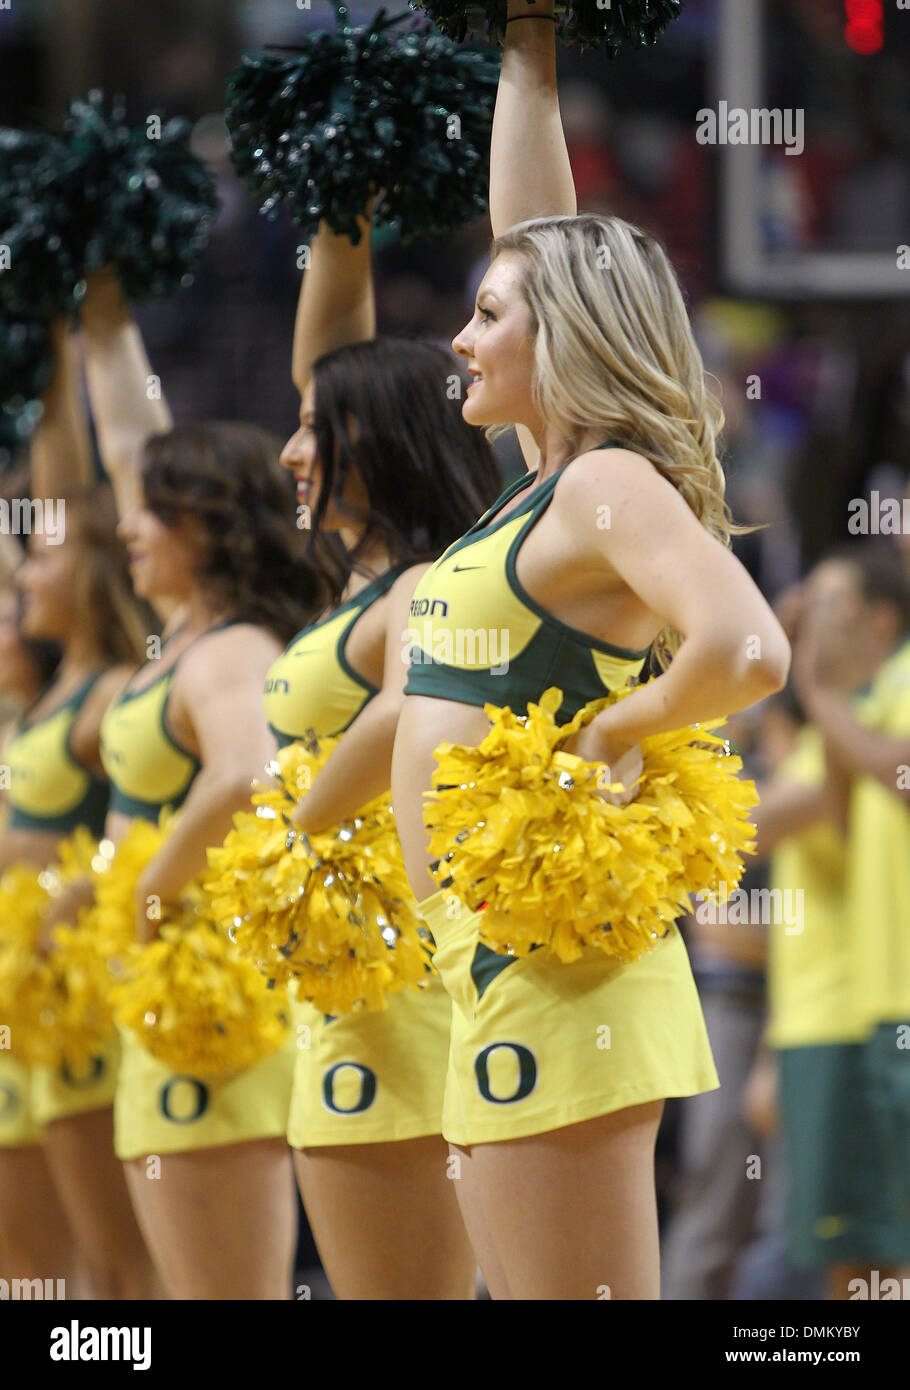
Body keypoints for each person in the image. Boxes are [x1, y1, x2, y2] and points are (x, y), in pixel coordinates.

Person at [389, 0, 790, 1300]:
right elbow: (529, 236)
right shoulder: (537, 486)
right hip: (489, 953)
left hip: (562, 973)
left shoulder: (605, 485)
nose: (458, 337)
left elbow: (746, 643)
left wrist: (619, 729)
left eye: (489, 314)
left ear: (557, 335)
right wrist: (524, 38)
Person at [271, 204, 502, 1300]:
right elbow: (326, 357)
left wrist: (299, 816)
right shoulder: (356, 581)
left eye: (318, 427)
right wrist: (343, 209)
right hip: (345, 979)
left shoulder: (419, 586)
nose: (291, 448)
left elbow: (414, 705)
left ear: (384, 442)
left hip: (396, 988)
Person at [80, 269, 319, 1300]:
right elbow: (125, 438)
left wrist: (153, 884)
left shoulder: (227, 651)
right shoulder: (179, 639)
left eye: (150, 512)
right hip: (170, 994)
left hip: (207, 996)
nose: (126, 528)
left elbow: (249, 768)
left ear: (207, 526)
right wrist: (99, 318)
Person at [0, 321, 160, 1299]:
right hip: (36, 1004)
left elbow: (146, 819)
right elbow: (61, 491)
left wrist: (82, 329)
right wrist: (54, 331)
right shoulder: (56, 692)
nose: (23, 573)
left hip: (90, 999)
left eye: (43, 558)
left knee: (119, 1271)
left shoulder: (111, 690)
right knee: (54, 1279)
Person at [786, 541, 910, 1295]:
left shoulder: (885, 688)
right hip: (877, 999)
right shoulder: (871, 694)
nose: (810, 615)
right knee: (870, 1246)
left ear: (878, 618)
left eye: (828, 603)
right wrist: (813, 688)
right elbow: (838, 822)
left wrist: (819, 694)